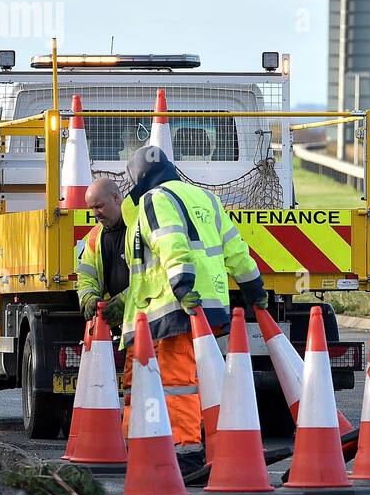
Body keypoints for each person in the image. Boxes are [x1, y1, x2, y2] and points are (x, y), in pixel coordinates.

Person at [119, 145, 268, 452]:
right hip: (210, 308)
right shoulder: (207, 199)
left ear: (139, 178)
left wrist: (182, 285)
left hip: (172, 306)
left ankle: (182, 449)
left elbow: (170, 243)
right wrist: (254, 288)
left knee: (177, 383)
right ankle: (189, 444)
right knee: (197, 380)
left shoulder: (154, 199)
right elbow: (236, 249)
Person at [76, 178, 130, 330]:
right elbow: (86, 277)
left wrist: (126, 300)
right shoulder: (94, 237)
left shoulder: (139, 227)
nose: (95, 214)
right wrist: (89, 298)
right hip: (115, 325)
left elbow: (150, 276)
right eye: (91, 208)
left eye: (99, 206)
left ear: (116, 198)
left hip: (147, 321)